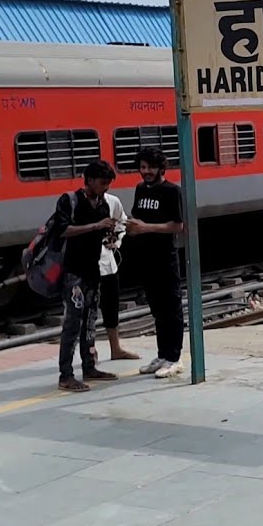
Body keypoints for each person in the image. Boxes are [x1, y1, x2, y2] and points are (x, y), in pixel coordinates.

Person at [52, 160, 120, 392]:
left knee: (90, 320)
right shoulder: (70, 201)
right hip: (74, 272)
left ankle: (89, 365)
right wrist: (95, 226)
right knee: (73, 322)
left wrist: (109, 237)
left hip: (93, 270)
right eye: (102, 183)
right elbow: (62, 231)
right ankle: (66, 374)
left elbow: (100, 233)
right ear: (89, 180)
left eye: (108, 184)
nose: (106, 188)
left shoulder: (102, 204)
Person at [126, 146, 186, 379]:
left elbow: (177, 225)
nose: (146, 171)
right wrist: (129, 228)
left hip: (165, 257)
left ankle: (175, 358)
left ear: (161, 167)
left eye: (150, 167)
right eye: (142, 167)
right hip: (146, 257)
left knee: (172, 308)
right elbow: (138, 219)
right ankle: (162, 355)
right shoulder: (140, 189)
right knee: (157, 308)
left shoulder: (172, 191)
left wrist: (146, 228)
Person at [99, 190, 140, 361]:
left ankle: (115, 348)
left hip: (108, 264)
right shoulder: (77, 202)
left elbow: (122, 223)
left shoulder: (112, 201)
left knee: (111, 306)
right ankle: (89, 351)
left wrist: (116, 240)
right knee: (85, 310)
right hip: (85, 266)